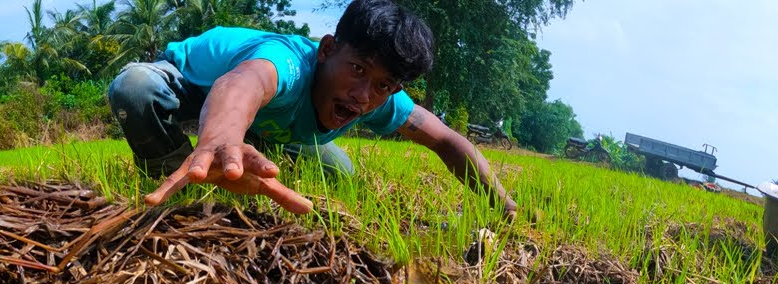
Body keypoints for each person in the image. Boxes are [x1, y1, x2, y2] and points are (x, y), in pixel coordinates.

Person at [106, 0, 518, 220]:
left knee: (341, 172)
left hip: (264, 119)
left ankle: (249, 145)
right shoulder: (285, 64)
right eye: (357, 69)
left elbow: (446, 139)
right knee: (135, 90)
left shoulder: (378, 99)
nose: (362, 95)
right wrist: (219, 139)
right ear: (326, 51)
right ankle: (182, 181)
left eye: (383, 85)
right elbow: (242, 84)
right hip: (192, 83)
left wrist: (502, 201)